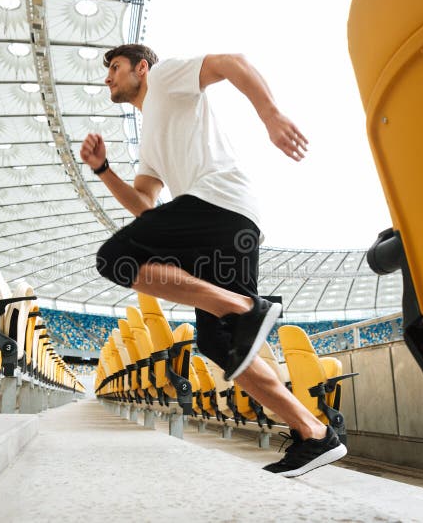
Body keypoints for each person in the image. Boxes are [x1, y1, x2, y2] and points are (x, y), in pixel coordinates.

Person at [79, 44, 346, 477]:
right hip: (222, 222)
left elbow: (232, 62)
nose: (107, 77)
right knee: (219, 344)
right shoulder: (150, 133)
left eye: (114, 67)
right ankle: (314, 432)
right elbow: (145, 203)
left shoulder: (164, 78)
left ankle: (243, 308)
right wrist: (104, 169)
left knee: (114, 258)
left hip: (218, 203)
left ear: (141, 67)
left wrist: (270, 115)